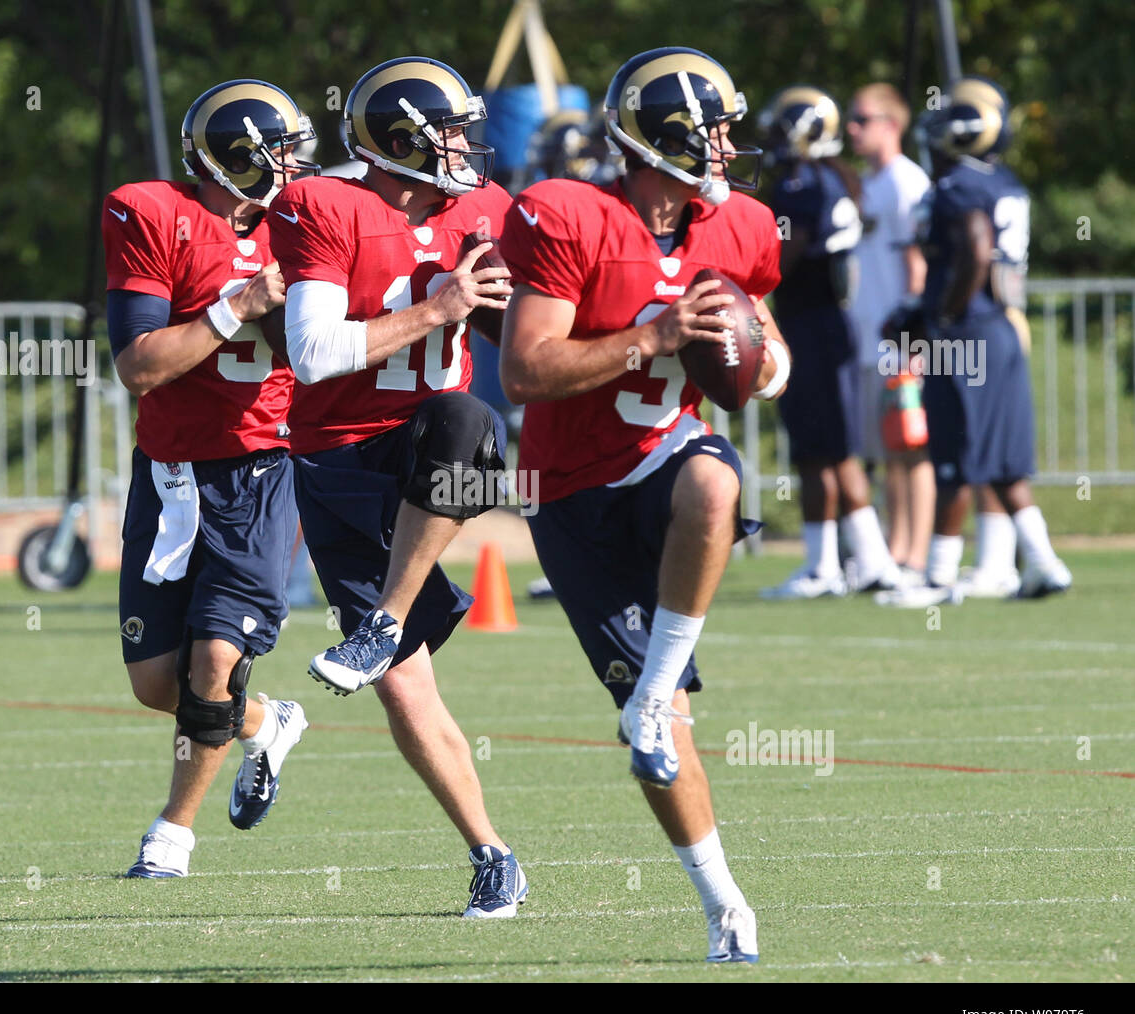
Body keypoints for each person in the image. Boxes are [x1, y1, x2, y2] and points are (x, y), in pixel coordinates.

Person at [500, 46, 790, 962]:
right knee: (662, 740)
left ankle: (657, 693)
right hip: (571, 488)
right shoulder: (569, 214)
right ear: (661, 137)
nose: (729, 143)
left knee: (715, 477)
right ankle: (723, 900)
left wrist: (764, 364)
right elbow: (524, 368)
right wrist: (652, 336)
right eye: (713, 128)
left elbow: (771, 347)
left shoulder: (738, 225)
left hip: (665, 452)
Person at [268, 57, 526, 918]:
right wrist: (440, 308)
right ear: (399, 141)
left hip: (425, 439)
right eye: (448, 131)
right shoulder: (325, 206)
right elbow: (310, 354)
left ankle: (380, 622)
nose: (464, 147)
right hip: (341, 456)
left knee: (464, 418)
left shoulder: (482, 209)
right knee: (405, 685)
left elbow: (522, 320)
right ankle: (492, 852)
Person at [105, 80, 314, 878]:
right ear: (237, 158)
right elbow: (139, 366)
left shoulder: (308, 225)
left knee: (210, 665)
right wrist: (237, 307)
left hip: (263, 468)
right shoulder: (152, 213)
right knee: (156, 682)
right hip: (167, 475)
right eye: (280, 152)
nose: (295, 167)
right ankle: (269, 721)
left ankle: (170, 837)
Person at [880, 77, 1071, 606]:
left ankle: (937, 578)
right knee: (1003, 461)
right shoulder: (1003, 181)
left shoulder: (959, 186)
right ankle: (1043, 563)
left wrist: (939, 314)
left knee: (953, 455)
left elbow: (976, 250)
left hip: (967, 334)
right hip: (1002, 326)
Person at [756, 86, 901, 599]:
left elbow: (779, 260)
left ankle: (827, 566)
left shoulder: (801, 184)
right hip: (831, 323)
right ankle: (867, 560)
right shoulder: (836, 178)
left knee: (819, 451)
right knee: (833, 450)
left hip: (810, 325)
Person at [846, 83, 935, 583]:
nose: (853, 129)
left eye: (863, 119)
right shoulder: (866, 182)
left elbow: (915, 267)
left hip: (897, 341)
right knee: (887, 452)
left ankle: (915, 555)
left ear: (892, 124)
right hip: (867, 338)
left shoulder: (906, 182)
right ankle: (893, 551)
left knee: (911, 446)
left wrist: (912, 343)